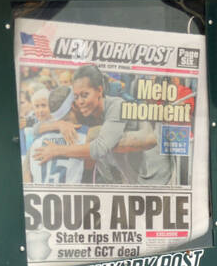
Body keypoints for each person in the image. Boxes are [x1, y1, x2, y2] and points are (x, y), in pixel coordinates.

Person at [32, 64, 174, 186]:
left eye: (84, 95)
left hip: (157, 176)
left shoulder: (116, 106)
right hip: (134, 178)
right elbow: (36, 128)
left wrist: (57, 150)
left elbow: (100, 148)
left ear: (99, 91)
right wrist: (59, 125)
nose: (80, 102)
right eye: (77, 97)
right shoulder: (86, 113)